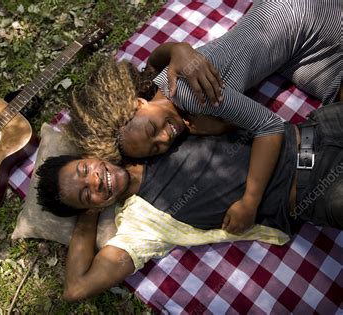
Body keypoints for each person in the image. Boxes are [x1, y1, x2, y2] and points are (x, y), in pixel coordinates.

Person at [65, 0, 341, 234]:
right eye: (157, 147)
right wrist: (176, 50)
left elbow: (269, 126)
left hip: (300, 16)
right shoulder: (158, 87)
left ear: (138, 103)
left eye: (153, 129)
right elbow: (152, 61)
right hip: (293, 49)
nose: (166, 136)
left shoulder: (190, 96)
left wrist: (250, 201)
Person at [35, 102, 343, 301]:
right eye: (86, 192)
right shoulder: (142, 225)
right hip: (319, 189)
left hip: (316, 128)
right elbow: (76, 288)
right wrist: (89, 214)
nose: (96, 180)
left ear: (90, 156)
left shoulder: (139, 133)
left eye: (85, 169)